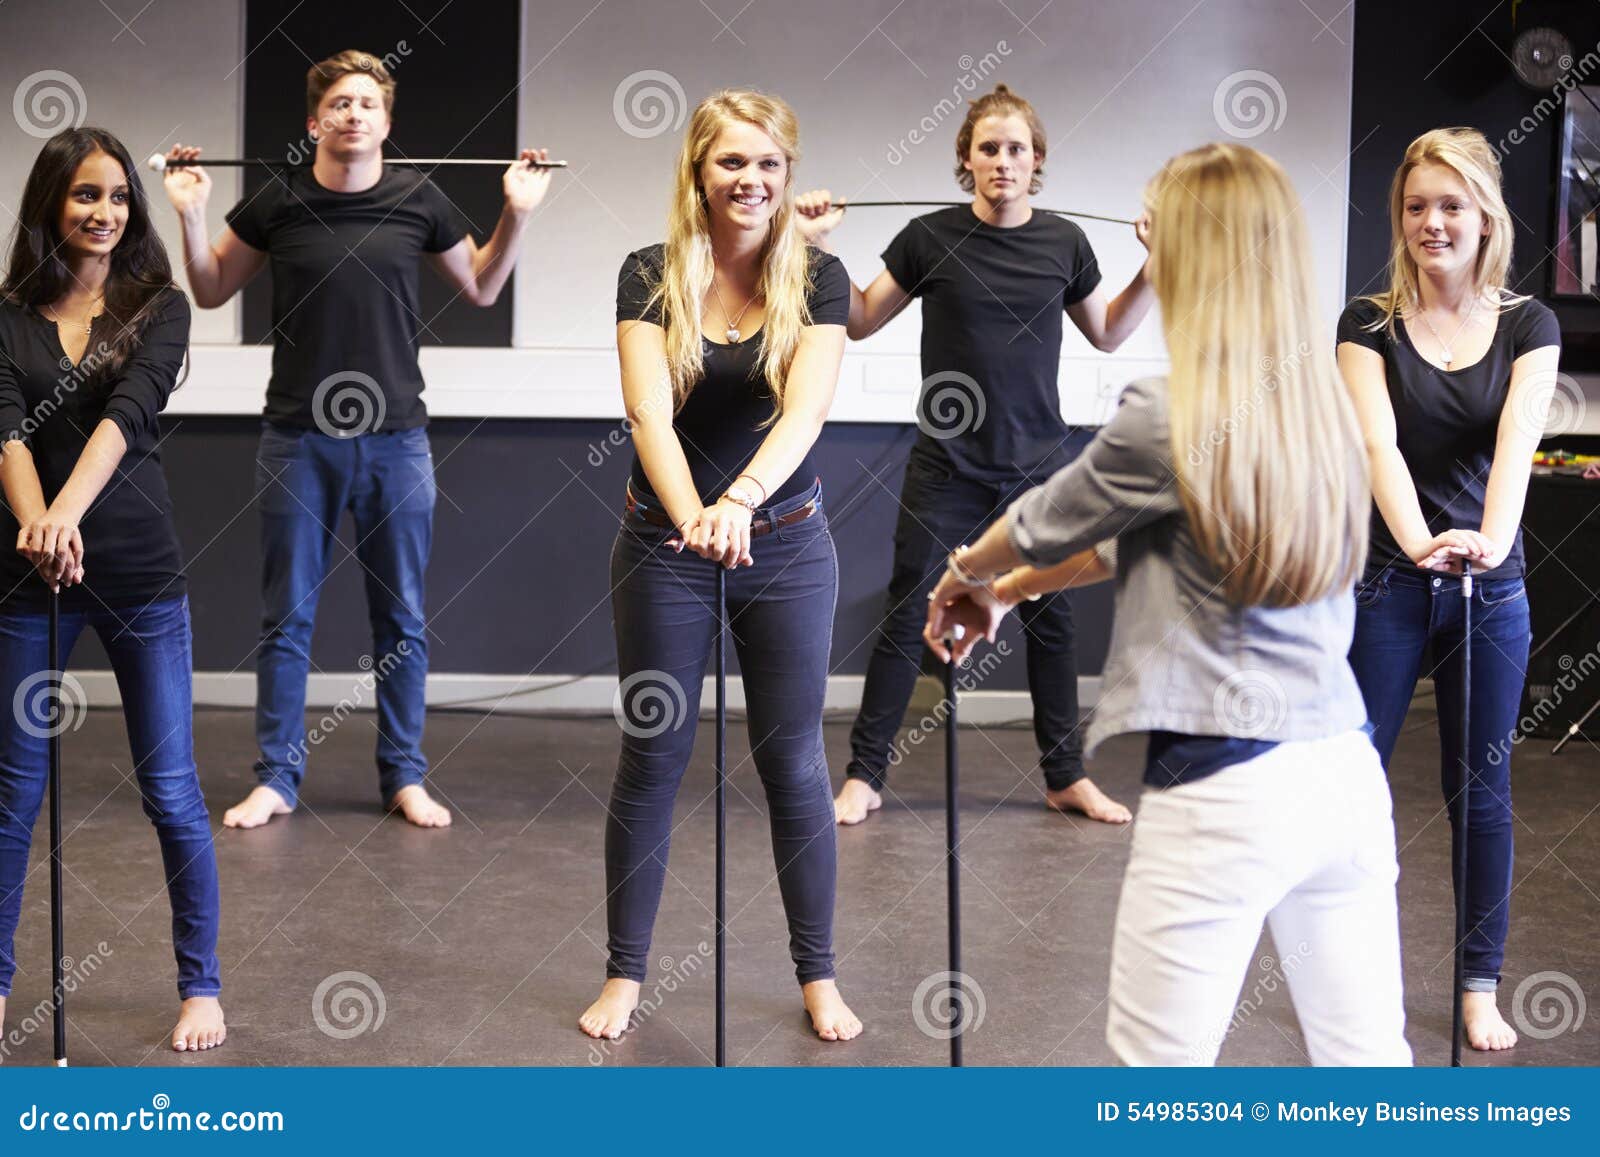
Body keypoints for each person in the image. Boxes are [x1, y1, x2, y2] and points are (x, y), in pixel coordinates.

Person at [923, 143, 1411, 1066]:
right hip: (1344, 779)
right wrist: (1015, 591)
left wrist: (970, 575)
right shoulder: (1320, 409)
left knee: (1158, 1088)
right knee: (1368, 1067)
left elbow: (1041, 520)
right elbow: (1130, 542)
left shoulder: (1170, 412)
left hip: (1226, 788)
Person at [160, 49, 552, 829]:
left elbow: (480, 286)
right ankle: (276, 778)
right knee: (287, 620)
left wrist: (516, 212)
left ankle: (404, 776)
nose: (354, 114)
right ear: (316, 122)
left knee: (401, 619)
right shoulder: (276, 202)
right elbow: (207, 289)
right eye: (339, 103)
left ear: (386, 123)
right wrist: (191, 210)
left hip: (397, 441)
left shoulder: (419, 199)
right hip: (297, 438)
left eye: (368, 103)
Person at [578, 89, 860, 1044]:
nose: (751, 180)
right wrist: (696, 515)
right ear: (698, 171)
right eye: (731, 163)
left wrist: (738, 503)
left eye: (768, 164)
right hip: (665, 543)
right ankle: (624, 973)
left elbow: (806, 413)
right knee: (653, 754)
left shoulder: (819, 277)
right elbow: (649, 413)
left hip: (786, 542)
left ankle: (817, 975)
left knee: (793, 762)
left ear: (787, 176)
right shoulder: (646, 274)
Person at [795, 84, 1154, 827]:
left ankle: (1066, 776)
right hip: (948, 464)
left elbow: (1110, 333)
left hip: (1041, 464)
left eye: (1016, 148)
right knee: (905, 614)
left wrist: (1157, 264)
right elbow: (859, 319)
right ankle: (864, 775)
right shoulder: (929, 238)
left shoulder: (1065, 243)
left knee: (1050, 618)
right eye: (988, 148)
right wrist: (815, 248)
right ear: (966, 159)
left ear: (1036, 161)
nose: (1002, 160)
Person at [0, 127, 225, 1052]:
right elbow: (4, 429)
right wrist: (36, 526)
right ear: (53, 202)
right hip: (25, 573)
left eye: (120, 197)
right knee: (11, 795)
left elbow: (127, 417)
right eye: (87, 195)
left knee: (170, 790)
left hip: (136, 571)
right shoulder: (7, 313)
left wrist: (63, 516)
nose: (105, 213)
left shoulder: (159, 306)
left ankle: (201, 985)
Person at [1338, 127, 1560, 1052]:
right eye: (1417, 205)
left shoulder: (1528, 325)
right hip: (1393, 574)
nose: (1432, 222)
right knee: (1352, 785)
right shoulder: (1366, 322)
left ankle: (1477, 986)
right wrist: (1423, 542)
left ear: (1485, 217)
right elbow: (1378, 446)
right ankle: (1349, 979)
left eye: (1451, 205)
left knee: (1482, 789)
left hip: (1491, 586)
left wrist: (1487, 544)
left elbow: (1516, 449)